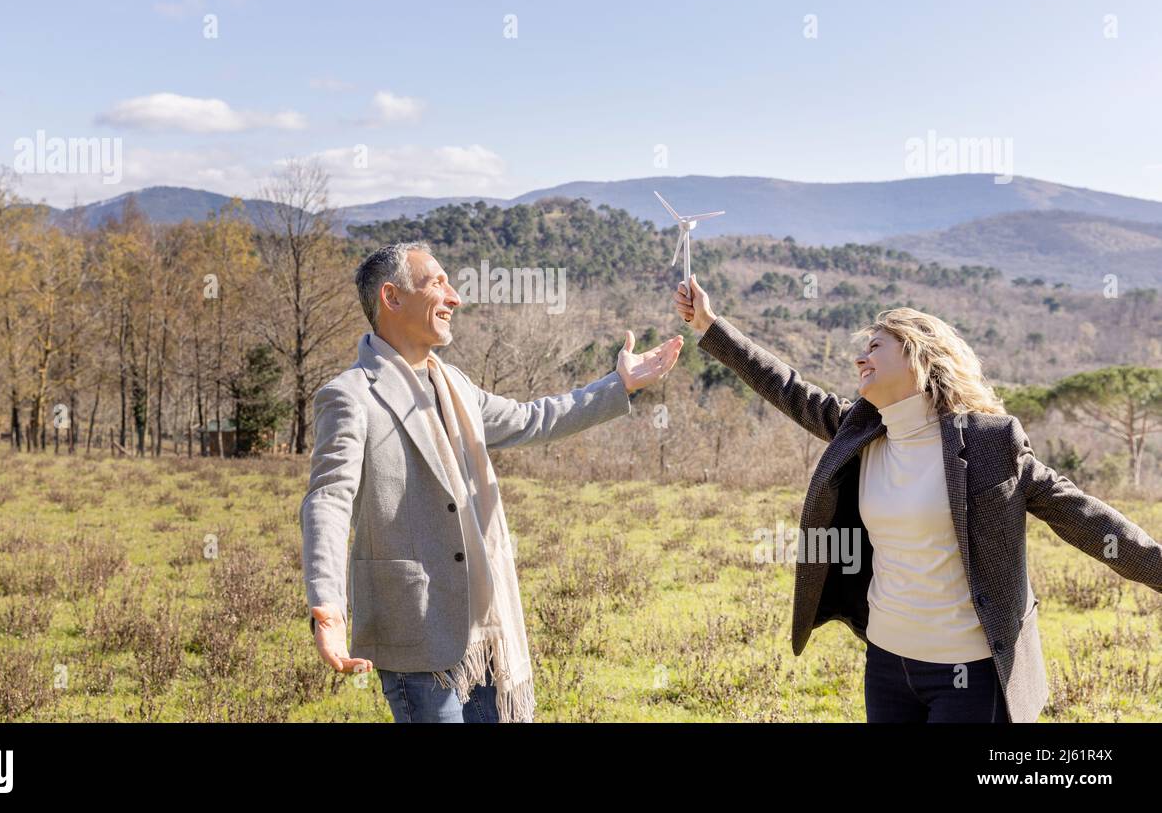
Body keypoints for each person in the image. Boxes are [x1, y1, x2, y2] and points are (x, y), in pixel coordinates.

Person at [674, 273, 1162, 722]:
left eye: (875, 347)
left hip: (969, 673)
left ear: (920, 357)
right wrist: (709, 325)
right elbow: (786, 387)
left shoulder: (991, 443)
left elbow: (1081, 515)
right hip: (886, 664)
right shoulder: (860, 432)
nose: (860, 358)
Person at [301, 241, 683, 722]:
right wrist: (327, 607)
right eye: (436, 283)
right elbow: (328, 500)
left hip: (487, 629)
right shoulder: (349, 396)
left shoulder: (455, 383)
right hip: (416, 630)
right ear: (391, 298)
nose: (455, 297)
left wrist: (619, 384)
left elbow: (533, 419)